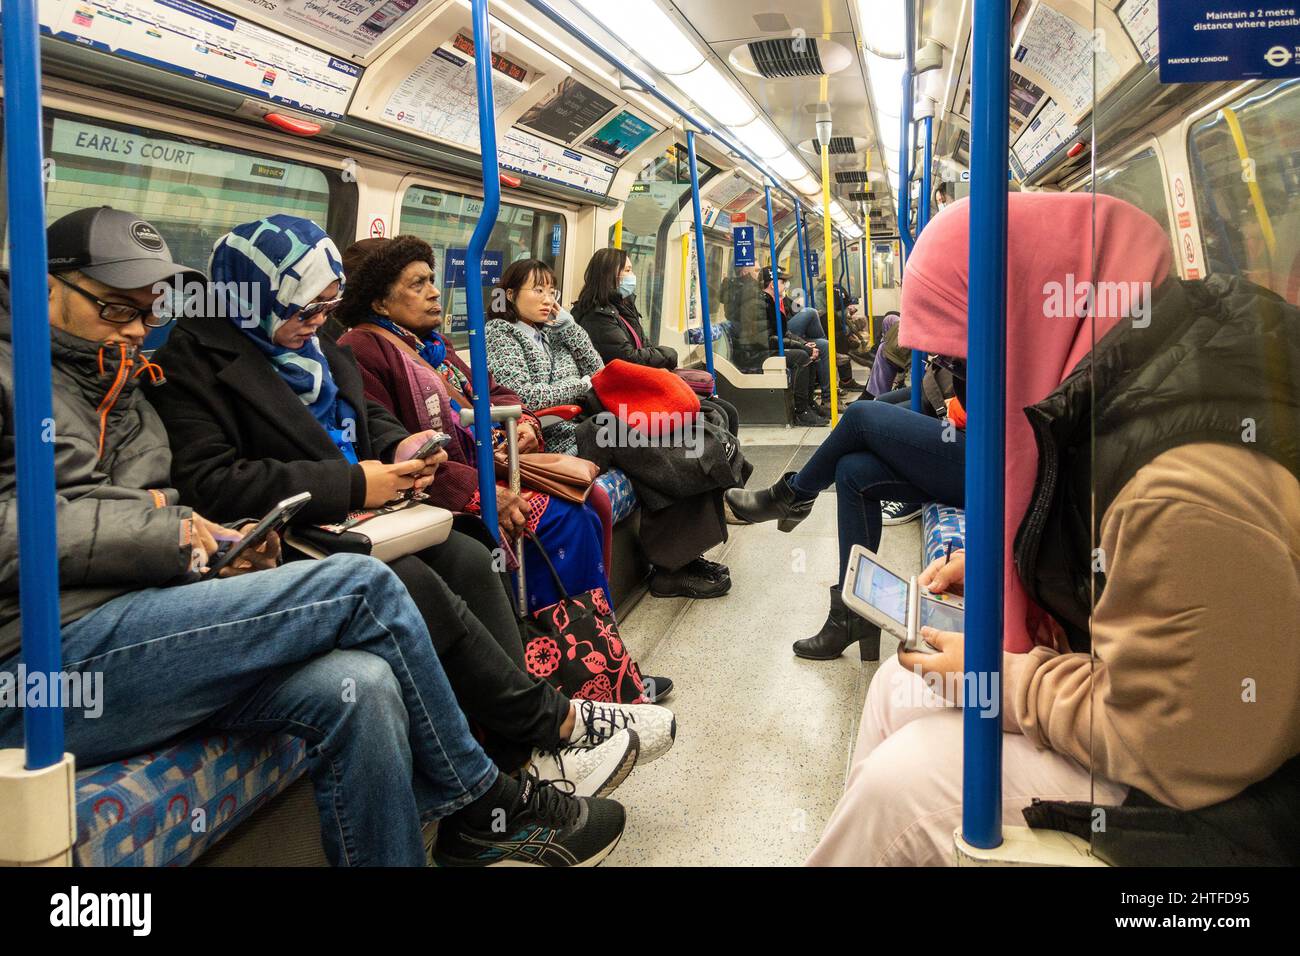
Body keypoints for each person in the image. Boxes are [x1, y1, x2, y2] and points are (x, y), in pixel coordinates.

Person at [0, 206, 628, 866]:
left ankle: (467, 818)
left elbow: (156, 498)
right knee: (366, 584)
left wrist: (222, 549)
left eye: (148, 311)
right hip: (42, 652)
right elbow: (24, 529)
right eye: (115, 309)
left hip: (148, 608)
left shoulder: (121, 377)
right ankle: (514, 769)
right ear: (46, 286)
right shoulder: (31, 377)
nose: (136, 329)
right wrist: (179, 534)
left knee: (363, 685)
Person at [809, 192, 1300, 866]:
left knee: (904, 786)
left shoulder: (1178, 492)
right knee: (900, 685)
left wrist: (1003, 681)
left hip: (1224, 803)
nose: (957, 395)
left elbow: (1190, 740)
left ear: (1023, 327)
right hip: (1157, 716)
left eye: (960, 366)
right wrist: (1005, 566)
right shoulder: (1128, 388)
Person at [150, 216, 676, 797]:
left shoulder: (320, 346)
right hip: (295, 529)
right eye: (306, 308)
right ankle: (547, 730)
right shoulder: (192, 366)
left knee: (471, 554)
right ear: (257, 295)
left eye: (327, 306)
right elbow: (213, 481)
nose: (319, 320)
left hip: (366, 515)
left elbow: (368, 416)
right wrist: (353, 483)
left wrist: (400, 445)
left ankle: (523, 750)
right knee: (415, 581)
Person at [333, 235, 610, 618]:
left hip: (493, 459)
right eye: (418, 284)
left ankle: (590, 631)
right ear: (380, 301)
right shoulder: (362, 350)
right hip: (446, 483)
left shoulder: (434, 345)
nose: (434, 293)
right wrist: (479, 492)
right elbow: (396, 450)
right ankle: (553, 637)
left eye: (432, 280)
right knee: (564, 518)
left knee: (589, 502)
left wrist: (525, 422)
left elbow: (496, 392)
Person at [488, 258, 737, 600]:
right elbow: (524, 396)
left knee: (663, 445)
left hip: (585, 423)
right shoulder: (500, 335)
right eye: (538, 290)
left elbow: (599, 371)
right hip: (555, 437)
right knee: (632, 440)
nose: (548, 299)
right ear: (510, 294)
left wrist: (570, 329)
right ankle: (711, 474)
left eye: (552, 291)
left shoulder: (554, 332)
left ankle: (679, 562)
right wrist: (581, 386)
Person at [573, 247, 740, 437]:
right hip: (625, 391)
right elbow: (627, 358)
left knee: (725, 410)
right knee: (718, 413)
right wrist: (668, 355)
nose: (633, 276)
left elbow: (644, 345)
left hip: (640, 383)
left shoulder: (623, 308)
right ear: (609, 276)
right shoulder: (598, 317)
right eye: (627, 270)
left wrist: (660, 358)